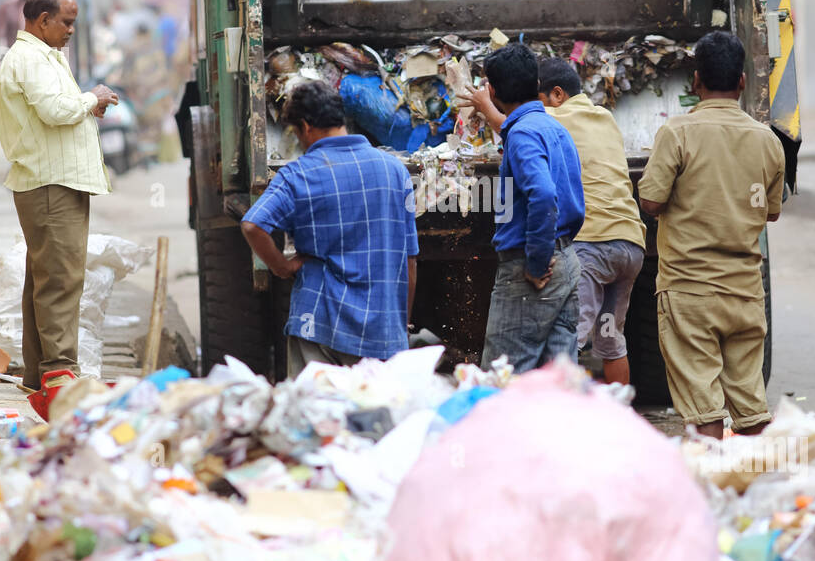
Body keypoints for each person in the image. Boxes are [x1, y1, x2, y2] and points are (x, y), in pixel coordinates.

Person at [460, 57, 646, 384]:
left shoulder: (536, 124)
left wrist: (538, 260)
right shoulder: (598, 118)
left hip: (583, 248)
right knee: (598, 348)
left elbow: (542, 192)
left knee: (507, 374)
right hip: (625, 244)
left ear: (556, 94)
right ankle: (615, 421)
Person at [638, 31, 785, 440]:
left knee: (704, 409)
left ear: (696, 80)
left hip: (689, 292)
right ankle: (758, 490)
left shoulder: (677, 133)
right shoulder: (768, 140)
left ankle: (714, 493)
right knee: (751, 409)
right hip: (745, 294)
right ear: (742, 82)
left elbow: (650, 201)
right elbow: (771, 212)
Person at [0, 0, 119, 418]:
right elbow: (54, 110)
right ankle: (59, 374)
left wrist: (86, 105)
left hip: (54, 181)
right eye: (65, 22)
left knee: (45, 277)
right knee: (61, 278)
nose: (70, 30)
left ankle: (41, 374)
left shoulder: (44, 56)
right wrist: (94, 98)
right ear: (42, 20)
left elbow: (57, 109)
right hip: (49, 184)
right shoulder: (30, 58)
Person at [241, 81, 417, 374]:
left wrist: (280, 267)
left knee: (317, 413)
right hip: (382, 330)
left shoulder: (297, 175)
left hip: (318, 323)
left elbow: (252, 225)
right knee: (376, 414)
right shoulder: (395, 170)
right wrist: (402, 325)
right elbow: (409, 260)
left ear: (306, 127)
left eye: (296, 132)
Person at [475, 43, 585, 373]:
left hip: (533, 270)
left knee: (501, 382)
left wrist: (536, 263)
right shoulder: (554, 127)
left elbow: (543, 194)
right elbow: (569, 197)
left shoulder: (522, 133)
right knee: (559, 388)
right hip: (566, 261)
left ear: (492, 90)